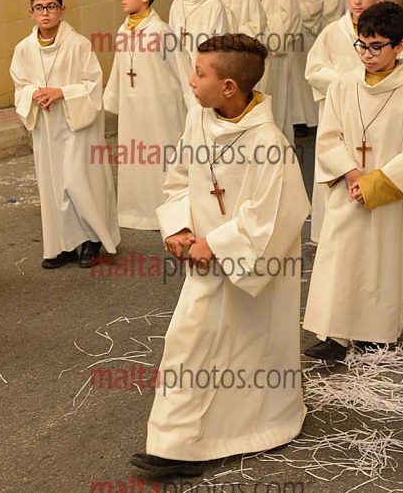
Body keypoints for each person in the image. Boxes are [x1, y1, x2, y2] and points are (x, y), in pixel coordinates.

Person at [131, 34, 310, 478]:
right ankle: (178, 444)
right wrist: (177, 225)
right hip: (204, 264)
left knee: (243, 351)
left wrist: (219, 243)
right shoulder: (198, 119)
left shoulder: (268, 142)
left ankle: (251, 428)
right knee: (190, 343)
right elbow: (179, 178)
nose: (191, 80)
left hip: (245, 270)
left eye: (200, 73)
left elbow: (275, 217)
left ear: (229, 86)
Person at [303, 4, 403, 362]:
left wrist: (376, 183)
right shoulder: (344, 84)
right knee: (339, 258)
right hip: (348, 188)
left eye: (376, 46)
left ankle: (375, 334)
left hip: (388, 195)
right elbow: (328, 136)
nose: (367, 54)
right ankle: (334, 334)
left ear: (400, 46)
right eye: (361, 45)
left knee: (380, 261)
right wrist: (351, 173)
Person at [10, 0, 120, 269]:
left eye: (51, 6)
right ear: (30, 13)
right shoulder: (23, 49)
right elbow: (19, 84)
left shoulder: (79, 44)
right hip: (45, 125)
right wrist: (33, 94)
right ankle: (65, 243)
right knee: (54, 185)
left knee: (79, 180)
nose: (45, 13)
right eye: (39, 8)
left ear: (61, 9)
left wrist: (61, 92)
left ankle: (93, 240)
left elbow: (94, 85)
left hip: (76, 125)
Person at [103, 0, 194, 230]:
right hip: (133, 110)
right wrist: (113, 99)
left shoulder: (161, 31)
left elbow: (182, 69)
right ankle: (135, 213)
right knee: (136, 159)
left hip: (160, 112)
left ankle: (167, 213)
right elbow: (120, 69)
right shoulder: (123, 30)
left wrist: (194, 106)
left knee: (161, 161)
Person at [305, 0, 386, 242]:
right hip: (339, 119)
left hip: (374, 121)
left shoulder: (387, 34)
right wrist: (346, 82)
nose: (357, 1)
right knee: (337, 179)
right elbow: (314, 71)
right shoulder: (332, 33)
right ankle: (330, 235)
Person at [242, 0, 303, 144]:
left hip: (276, 53)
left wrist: (269, 37)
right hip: (252, 53)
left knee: (277, 101)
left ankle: (280, 145)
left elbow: (291, 17)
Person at [273, 0, 322, 129]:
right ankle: (288, 120)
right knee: (284, 80)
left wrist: (291, 14)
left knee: (300, 79)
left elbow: (315, 3)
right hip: (279, 35)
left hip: (302, 34)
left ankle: (305, 120)